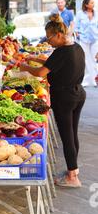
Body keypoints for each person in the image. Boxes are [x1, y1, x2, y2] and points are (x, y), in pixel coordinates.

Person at [20, 14, 86, 188]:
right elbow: (53, 62)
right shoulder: (76, 47)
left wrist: (25, 67)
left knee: (67, 136)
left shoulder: (62, 51)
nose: (48, 42)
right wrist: (33, 58)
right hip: (78, 93)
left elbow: (41, 72)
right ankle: (74, 170)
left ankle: (72, 177)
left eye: (49, 38)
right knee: (72, 133)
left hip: (65, 97)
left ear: (58, 35)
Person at [75, 0, 98, 87]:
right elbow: (76, 27)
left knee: (94, 59)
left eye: (93, 2)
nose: (93, 4)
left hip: (95, 39)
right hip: (84, 40)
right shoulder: (80, 14)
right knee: (85, 59)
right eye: (91, 3)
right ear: (86, 4)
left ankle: (95, 79)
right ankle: (85, 81)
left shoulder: (96, 13)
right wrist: (78, 35)